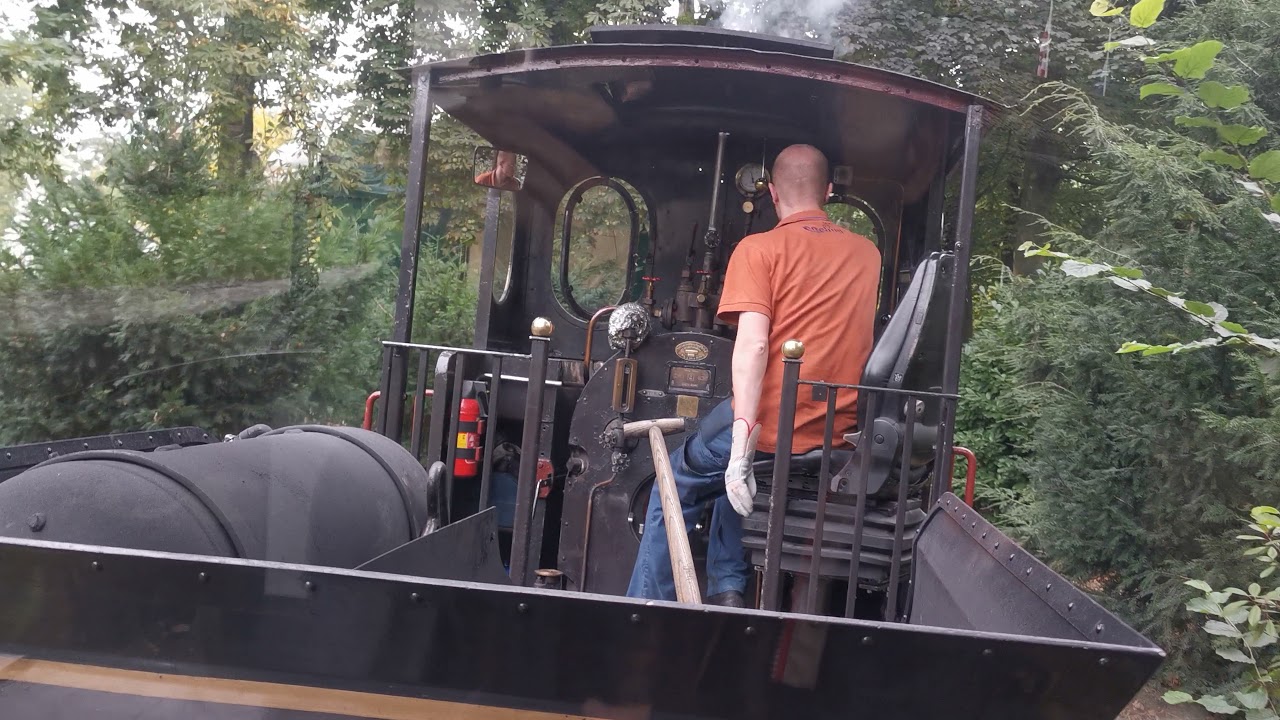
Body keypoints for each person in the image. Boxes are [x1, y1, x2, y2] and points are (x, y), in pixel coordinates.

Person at [625, 144, 882, 607]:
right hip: (838, 431)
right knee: (729, 474)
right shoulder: (868, 254)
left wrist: (743, 440)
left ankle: (645, 610)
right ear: (827, 191)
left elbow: (754, 346)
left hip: (776, 430)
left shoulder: (758, 249)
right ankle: (728, 589)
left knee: (680, 478)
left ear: (772, 194)